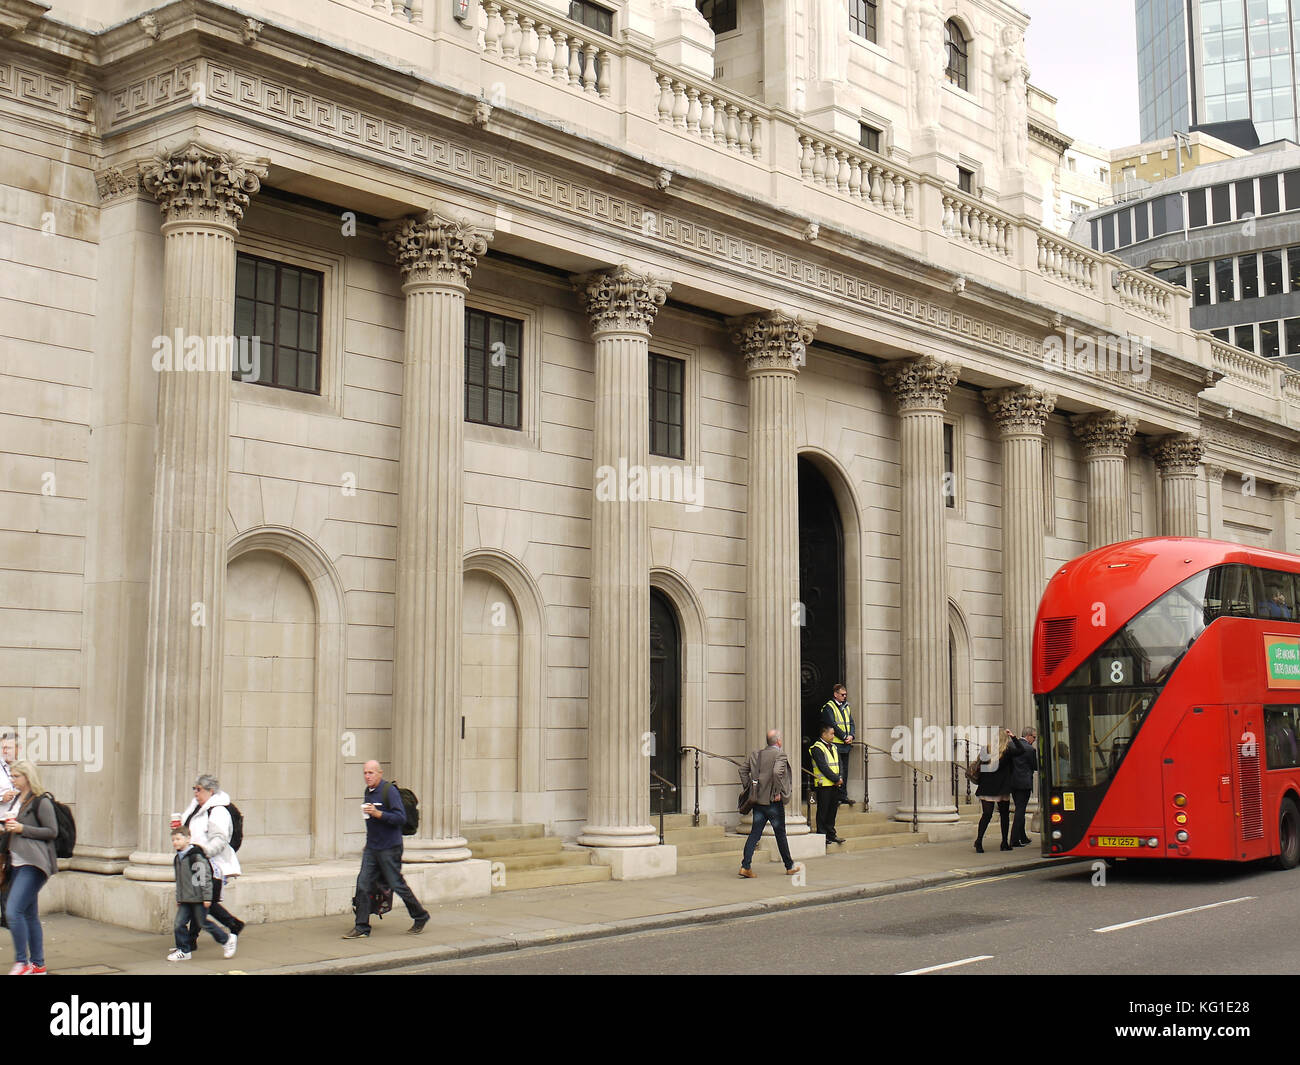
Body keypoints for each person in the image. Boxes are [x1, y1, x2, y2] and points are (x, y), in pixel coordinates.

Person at [343, 761, 429, 938]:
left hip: (390, 848)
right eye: (365, 773)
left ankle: (420, 915)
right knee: (363, 885)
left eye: (371, 773)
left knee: (397, 885)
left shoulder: (388, 791)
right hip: (372, 848)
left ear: (380, 773)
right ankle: (362, 927)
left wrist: (379, 814)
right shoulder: (368, 792)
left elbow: (400, 818)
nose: (367, 776)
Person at [3, 761, 57, 974]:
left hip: (34, 863)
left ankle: (22, 962)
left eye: (16, 776)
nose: (13, 780)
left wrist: (22, 828)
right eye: (12, 776)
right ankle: (38, 964)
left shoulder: (41, 801)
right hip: (16, 862)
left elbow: (51, 831)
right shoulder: (17, 799)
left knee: (12, 911)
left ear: (27, 777)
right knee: (29, 914)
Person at [180, 774, 243, 952]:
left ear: (210, 791)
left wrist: (202, 852)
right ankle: (232, 925)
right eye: (194, 788)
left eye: (199, 789)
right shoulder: (196, 808)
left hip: (210, 864)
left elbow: (219, 840)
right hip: (195, 862)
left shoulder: (218, 811)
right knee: (201, 902)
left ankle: (192, 941)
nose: (195, 793)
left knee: (201, 902)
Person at [168, 825, 235, 961]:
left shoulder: (196, 857)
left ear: (188, 839)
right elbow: (180, 881)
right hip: (186, 899)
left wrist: (207, 897)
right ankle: (184, 950)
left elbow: (204, 878)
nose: (175, 842)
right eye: (173, 840)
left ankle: (226, 940)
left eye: (178, 839)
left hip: (198, 898)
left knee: (203, 923)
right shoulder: (178, 858)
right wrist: (179, 898)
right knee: (179, 924)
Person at [738, 730, 797, 878]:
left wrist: (750, 788)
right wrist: (777, 792)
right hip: (773, 803)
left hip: (758, 801)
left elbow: (742, 770)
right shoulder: (780, 755)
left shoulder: (756, 755)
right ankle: (789, 866)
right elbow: (777, 773)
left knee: (754, 834)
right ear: (778, 741)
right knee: (780, 834)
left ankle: (745, 866)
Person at [973, 730, 1024, 853]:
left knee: (986, 815)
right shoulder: (1007, 751)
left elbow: (980, 765)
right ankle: (1004, 842)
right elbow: (1021, 750)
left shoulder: (986, 749)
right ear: (1005, 740)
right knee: (1004, 815)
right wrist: (1014, 737)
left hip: (987, 787)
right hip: (1001, 787)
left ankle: (979, 841)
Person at [809, 724, 845, 845]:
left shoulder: (834, 747)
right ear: (824, 734)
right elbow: (823, 766)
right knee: (823, 811)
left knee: (832, 811)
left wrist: (840, 777)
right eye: (832, 733)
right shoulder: (816, 748)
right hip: (823, 784)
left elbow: (840, 763)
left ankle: (831, 834)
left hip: (835, 784)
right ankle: (822, 835)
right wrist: (836, 778)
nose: (833, 736)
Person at [819, 683, 855, 805]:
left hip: (846, 745)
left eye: (845, 695)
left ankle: (843, 795)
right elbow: (832, 724)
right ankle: (836, 797)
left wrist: (851, 736)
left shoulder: (846, 706)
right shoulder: (829, 707)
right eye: (842, 694)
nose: (844, 697)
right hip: (835, 744)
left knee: (845, 770)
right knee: (836, 770)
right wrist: (844, 736)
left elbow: (851, 723)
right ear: (835, 694)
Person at [1008, 726, 1038, 848]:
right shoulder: (1030, 749)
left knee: (1019, 809)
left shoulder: (1011, 745)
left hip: (1013, 782)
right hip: (1024, 783)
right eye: (1034, 737)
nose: (1034, 740)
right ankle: (1014, 839)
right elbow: (1034, 766)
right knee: (1020, 811)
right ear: (1028, 736)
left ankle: (1023, 837)